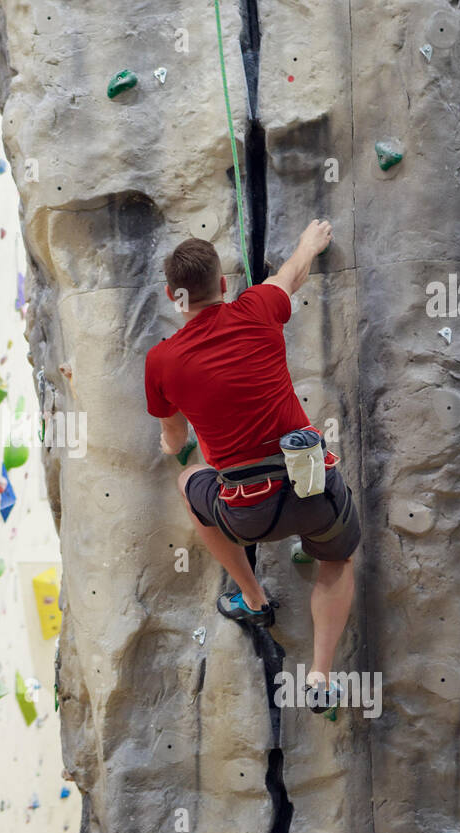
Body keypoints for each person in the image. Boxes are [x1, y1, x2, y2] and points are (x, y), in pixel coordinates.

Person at [144, 222, 359, 712]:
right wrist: (309, 243)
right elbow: (291, 274)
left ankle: (254, 598)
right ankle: (321, 679)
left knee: (187, 480)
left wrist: (169, 440)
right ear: (223, 285)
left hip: (246, 512)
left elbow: (175, 440)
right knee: (337, 560)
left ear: (172, 296)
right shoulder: (258, 306)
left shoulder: (161, 361)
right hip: (312, 492)